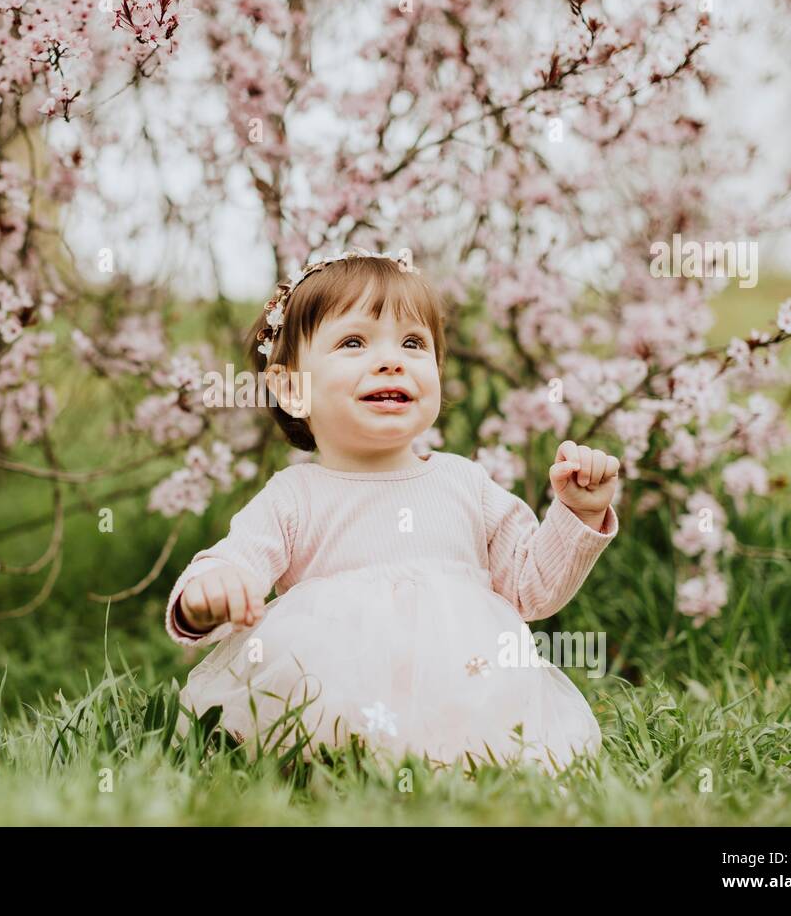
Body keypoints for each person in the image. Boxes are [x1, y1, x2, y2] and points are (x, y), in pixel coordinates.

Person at [164, 250, 621, 774]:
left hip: (462, 688)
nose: (391, 360)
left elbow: (531, 588)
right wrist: (212, 592)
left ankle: (451, 759)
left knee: (483, 731)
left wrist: (576, 514)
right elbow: (237, 559)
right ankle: (329, 761)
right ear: (292, 388)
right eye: (353, 342)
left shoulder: (464, 483)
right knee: (309, 714)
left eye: (413, 343)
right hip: (332, 693)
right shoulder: (295, 495)